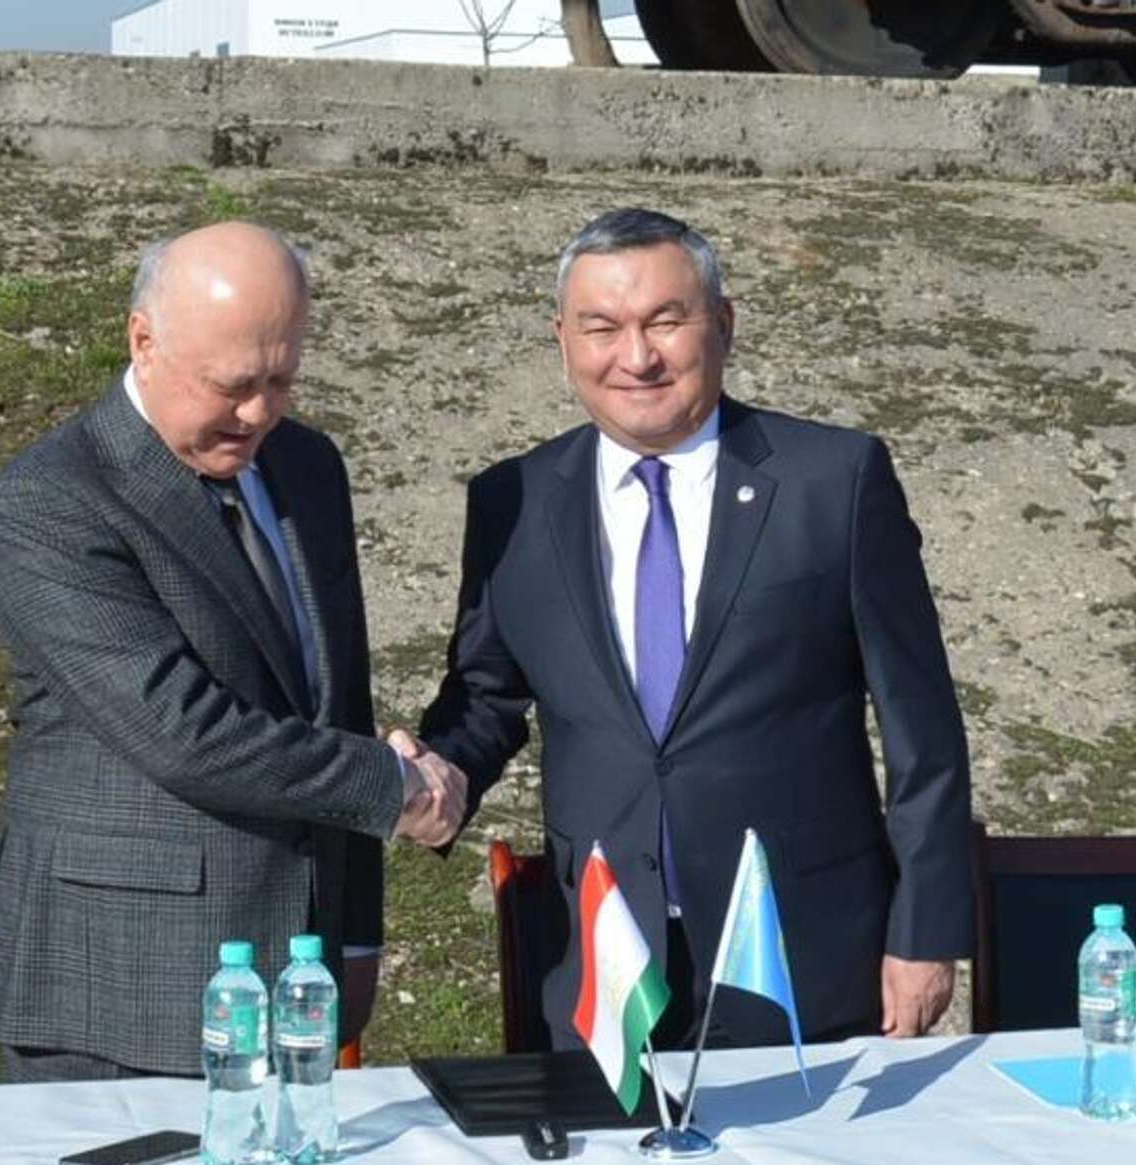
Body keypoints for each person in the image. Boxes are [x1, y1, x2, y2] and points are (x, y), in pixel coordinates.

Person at [414, 208, 973, 1050]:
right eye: (602, 327)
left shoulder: (835, 481)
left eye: (665, 321)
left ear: (724, 323)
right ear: (562, 339)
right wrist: (436, 775)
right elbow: (487, 695)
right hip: (605, 967)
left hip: (801, 956)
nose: (636, 356)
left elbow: (921, 724)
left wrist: (925, 930)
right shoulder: (513, 500)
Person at [0, 221, 465, 1081]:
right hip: (117, 991)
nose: (259, 412)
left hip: (291, 973)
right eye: (232, 385)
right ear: (143, 341)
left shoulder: (307, 465)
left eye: (282, 379)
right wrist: (390, 788)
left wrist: (354, 931)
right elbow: (180, 728)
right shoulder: (51, 500)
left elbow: (335, 697)